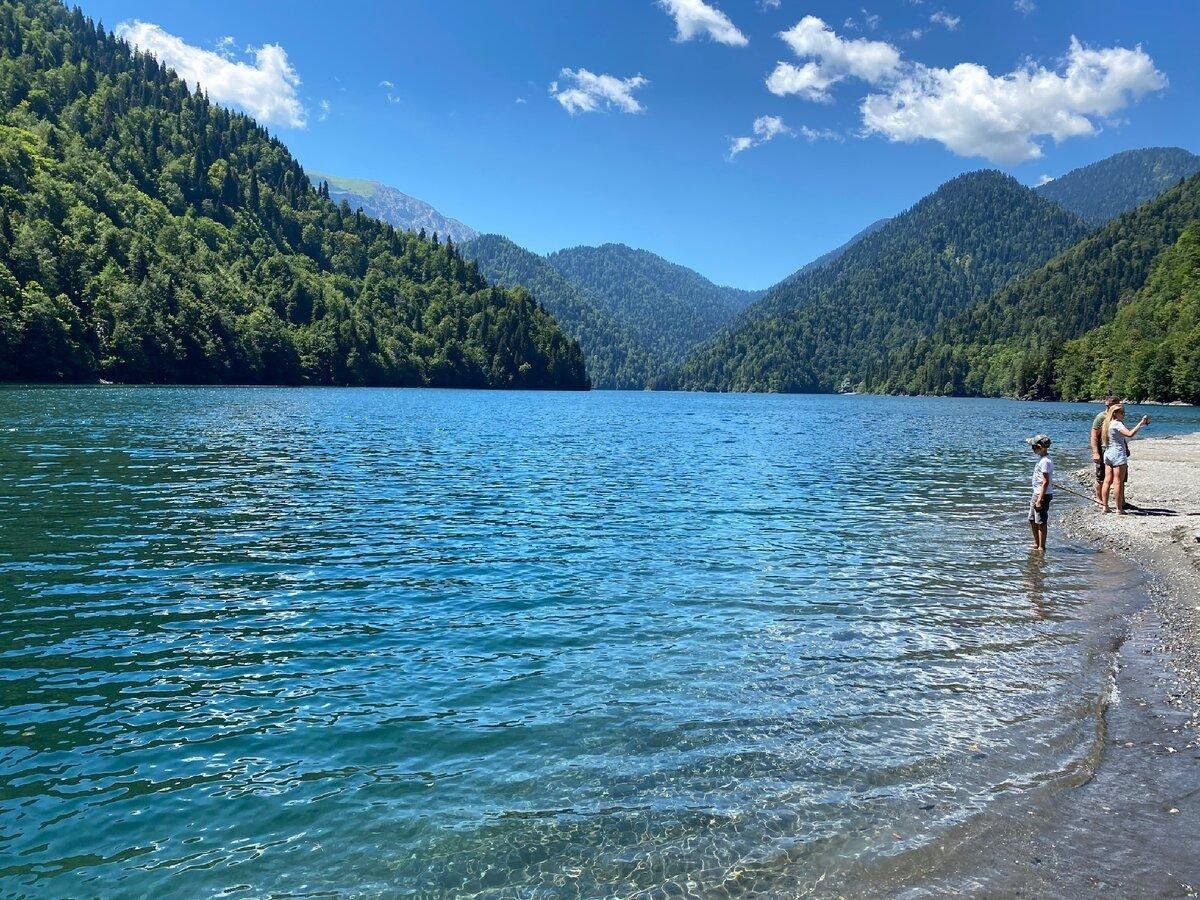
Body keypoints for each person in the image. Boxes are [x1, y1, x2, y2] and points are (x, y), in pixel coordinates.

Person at [1101, 404, 1151, 514]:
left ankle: (1105, 507)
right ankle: (1119, 509)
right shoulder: (1117, 424)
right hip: (1118, 454)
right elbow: (1129, 434)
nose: (1124, 415)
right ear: (1115, 413)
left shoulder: (1107, 424)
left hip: (1108, 453)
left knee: (1107, 480)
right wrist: (1140, 424)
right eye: (1122, 413)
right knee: (1118, 482)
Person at [1026, 434, 1053, 552]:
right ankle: (1037, 543)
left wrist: (1039, 499)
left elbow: (1046, 481)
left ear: (1040, 447)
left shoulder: (1045, 461)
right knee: (1032, 519)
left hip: (1042, 494)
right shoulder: (1042, 459)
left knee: (1041, 520)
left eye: (1033, 447)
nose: (1032, 449)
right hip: (1037, 493)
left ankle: (1042, 547)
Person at [1090, 396, 1119, 505]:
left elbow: (1119, 434)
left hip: (1114, 450)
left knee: (1118, 477)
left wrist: (1126, 447)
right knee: (1101, 476)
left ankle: (1121, 501)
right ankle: (1099, 499)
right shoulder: (1101, 417)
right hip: (1102, 450)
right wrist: (1095, 453)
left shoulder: (1117, 416)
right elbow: (1093, 436)